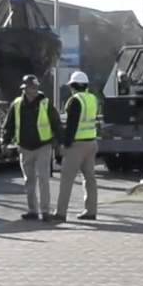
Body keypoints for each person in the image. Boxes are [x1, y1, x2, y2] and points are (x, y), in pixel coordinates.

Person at [2, 74, 62, 221]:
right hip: (24, 147)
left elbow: (56, 123)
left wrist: (59, 142)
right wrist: (4, 141)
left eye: (36, 88)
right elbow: (8, 125)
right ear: (25, 88)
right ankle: (32, 211)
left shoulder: (45, 103)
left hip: (43, 146)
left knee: (43, 179)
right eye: (31, 88)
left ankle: (45, 211)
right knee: (29, 181)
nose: (34, 90)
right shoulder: (16, 104)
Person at [54, 71, 100, 222]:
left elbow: (71, 126)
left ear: (73, 86)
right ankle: (91, 211)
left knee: (67, 180)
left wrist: (64, 146)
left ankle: (61, 213)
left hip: (76, 145)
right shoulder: (93, 99)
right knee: (90, 179)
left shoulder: (74, 101)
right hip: (91, 143)